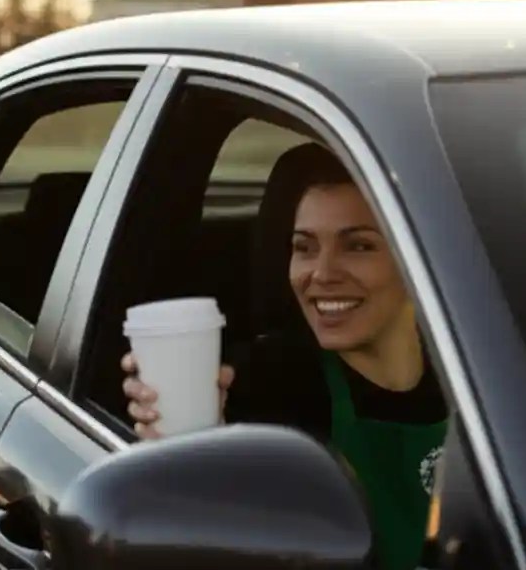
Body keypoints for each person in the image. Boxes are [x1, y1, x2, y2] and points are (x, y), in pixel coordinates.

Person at [121, 142, 448, 570]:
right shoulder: (261, 385)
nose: (322, 274)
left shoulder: (479, 373)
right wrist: (191, 443)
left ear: (418, 258)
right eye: (305, 247)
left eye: (358, 246)